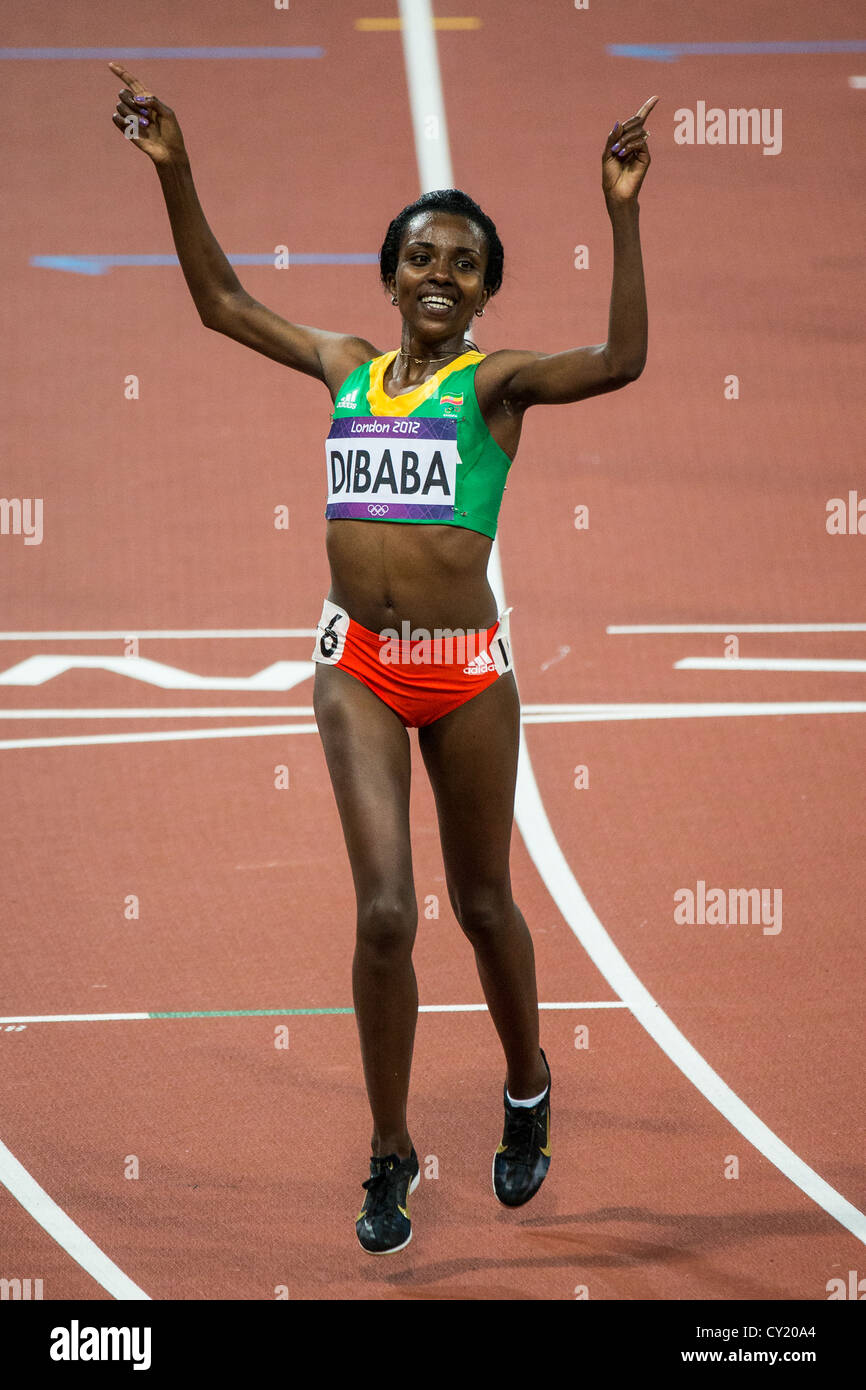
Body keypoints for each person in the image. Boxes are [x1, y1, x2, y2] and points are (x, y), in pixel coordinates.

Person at [108, 62, 657, 1255]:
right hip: (357, 663)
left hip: (463, 670)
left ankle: (524, 1081)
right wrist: (178, 169)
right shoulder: (342, 364)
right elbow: (219, 304)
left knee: (479, 902)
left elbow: (619, 360)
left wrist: (618, 213)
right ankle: (390, 1147)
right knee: (381, 916)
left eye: (464, 263)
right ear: (392, 273)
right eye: (422, 256)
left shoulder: (494, 385)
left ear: (484, 292)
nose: (441, 276)